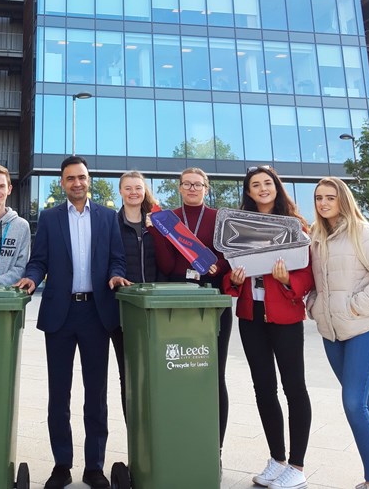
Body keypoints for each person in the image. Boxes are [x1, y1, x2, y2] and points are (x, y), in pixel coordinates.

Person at [15, 156, 129, 489]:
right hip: (60, 315)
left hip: (96, 313)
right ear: (62, 183)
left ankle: (94, 467)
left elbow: (117, 259)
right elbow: (39, 260)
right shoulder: (49, 218)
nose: (77, 183)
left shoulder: (108, 217)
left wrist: (117, 275)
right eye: (70, 178)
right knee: (58, 394)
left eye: (81, 177)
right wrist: (31, 278)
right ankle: (61, 466)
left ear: (88, 180)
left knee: (96, 395)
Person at [223, 166, 313, 489]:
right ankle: (277, 459)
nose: (262, 188)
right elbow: (228, 267)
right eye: (255, 185)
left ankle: (297, 466)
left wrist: (288, 280)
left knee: (294, 387)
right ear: (248, 192)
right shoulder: (238, 226)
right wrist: (233, 281)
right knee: (263, 388)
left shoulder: (295, 225)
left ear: (276, 187)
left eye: (267, 183)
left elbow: (308, 272)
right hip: (251, 316)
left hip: (285, 316)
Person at [307, 177, 369, 489]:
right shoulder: (316, 237)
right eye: (319, 198)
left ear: (343, 199)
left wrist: (355, 306)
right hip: (332, 333)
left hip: (365, 327)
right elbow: (313, 281)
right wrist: (314, 305)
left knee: (354, 403)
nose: (324, 203)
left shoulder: (363, 232)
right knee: (361, 403)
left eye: (330, 197)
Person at [148, 167, 231, 451]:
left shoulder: (219, 218)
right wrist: (156, 232)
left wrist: (218, 266)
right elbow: (167, 265)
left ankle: (215, 447)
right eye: (187, 184)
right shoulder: (168, 219)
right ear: (179, 187)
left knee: (214, 373)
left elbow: (228, 256)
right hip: (178, 297)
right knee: (179, 370)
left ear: (206, 188)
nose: (192, 188)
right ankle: (180, 439)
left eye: (198, 184)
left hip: (212, 298)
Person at [111, 170, 161, 417]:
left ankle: (157, 427)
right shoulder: (111, 223)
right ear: (120, 191)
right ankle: (134, 430)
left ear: (144, 191)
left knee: (157, 370)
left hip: (155, 307)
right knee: (128, 372)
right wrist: (114, 276)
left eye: (138, 188)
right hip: (123, 307)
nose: (133, 192)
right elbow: (106, 259)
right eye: (128, 188)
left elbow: (167, 261)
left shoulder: (158, 222)